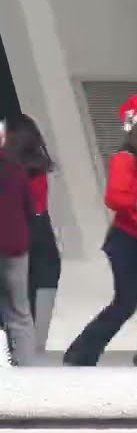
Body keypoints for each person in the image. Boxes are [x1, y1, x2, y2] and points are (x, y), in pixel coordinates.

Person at [63, 95, 137, 366]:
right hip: (129, 240)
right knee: (126, 303)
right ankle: (79, 355)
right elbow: (113, 197)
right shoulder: (125, 158)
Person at [1, 112, 58, 354]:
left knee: (13, 302)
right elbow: (36, 207)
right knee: (32, 300)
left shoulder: (11, 168)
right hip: (38, 236)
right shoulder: (36, 168)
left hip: (15, 237)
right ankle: (31, 350)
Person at [0, 119, 36, 365]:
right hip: (15, 248)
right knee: (20, 311)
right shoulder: (17, 169)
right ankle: (25, 368)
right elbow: (29, 209)